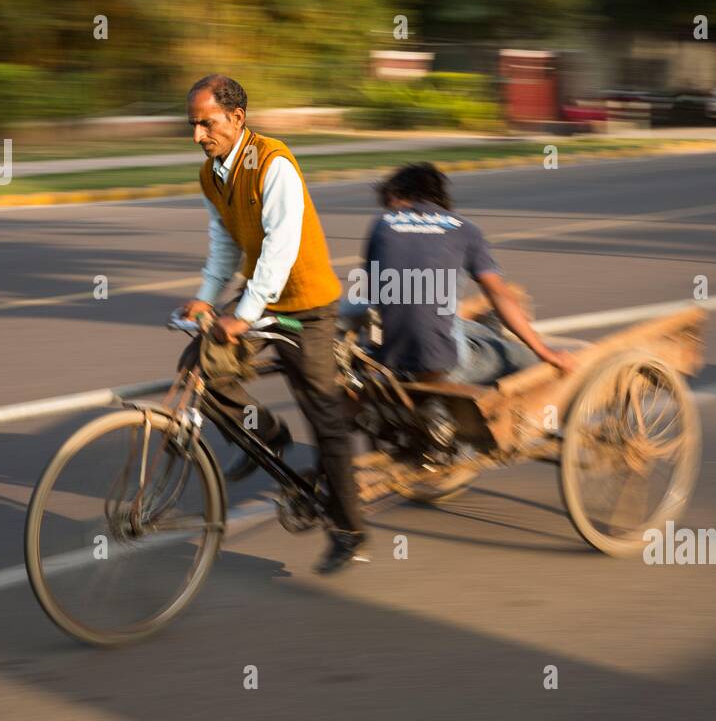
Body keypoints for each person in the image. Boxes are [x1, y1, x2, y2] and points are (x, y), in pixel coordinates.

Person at [177, 74, 366, 574]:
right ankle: (270, 433)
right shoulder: (212, 172)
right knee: (198, 363)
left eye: (206, 123)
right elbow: (225, 245)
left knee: (324, 412)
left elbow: (281, 249)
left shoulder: (273, 163)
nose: (198, 135)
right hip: (261, 293)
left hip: (306, 303)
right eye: (193, 125)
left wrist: (243, 314)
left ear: (237, 119)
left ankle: (348, 527)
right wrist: (205, 300)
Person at [355, 162, 575, 384]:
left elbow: (376, 295)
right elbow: (498, 294)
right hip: (444, 368)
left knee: (463, 326)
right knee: (525, 358)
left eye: (387, 203)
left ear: (397, 194)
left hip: (391, 359)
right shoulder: (465, 228)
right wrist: (544, 352)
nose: (388, 209)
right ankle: (495, 339)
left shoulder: (380, 225)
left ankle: (489, 333)